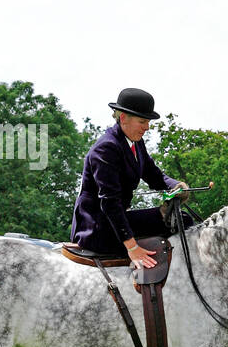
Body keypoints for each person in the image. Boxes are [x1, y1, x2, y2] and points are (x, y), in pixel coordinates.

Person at [70, 88, 187, 269]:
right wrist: (132, 247)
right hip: (97, 227)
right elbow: (110, 203)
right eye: (142, 121)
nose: (147, 127)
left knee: (182, 219)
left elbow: (153, 174)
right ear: (123, 117)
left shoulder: (136, 142)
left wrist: (176, 186)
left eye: (147, 122)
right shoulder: (106, 149)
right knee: (178, 221)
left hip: (116, 219)